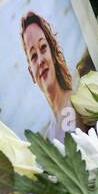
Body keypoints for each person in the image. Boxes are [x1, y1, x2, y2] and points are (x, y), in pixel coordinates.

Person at [20, 11, 77, 143]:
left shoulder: (76, 103)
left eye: (43, 47)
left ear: (53, 53)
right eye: (33, 56)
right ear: (31, 74)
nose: (40, 60)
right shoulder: (49, 137)